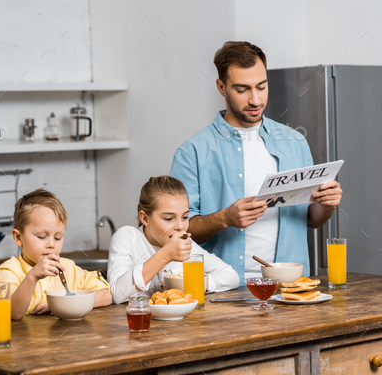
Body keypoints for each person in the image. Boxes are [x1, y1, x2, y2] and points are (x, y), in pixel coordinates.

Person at [170, 41, 343, 282]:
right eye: (242, 90)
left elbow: (312, 220)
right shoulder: (192, 153)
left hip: (290, 288)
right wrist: (224, 218)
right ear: (221, 87)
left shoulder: (295, 142)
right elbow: (177, 232)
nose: (255, 100)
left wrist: (326, 205)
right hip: (225, 291)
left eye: (261, 86)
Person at [107, 176, 239, 304]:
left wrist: (191, 284)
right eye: (169, 219)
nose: (180, 227)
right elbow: (117, 294)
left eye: (185, 217)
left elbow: (231, 276)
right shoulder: (128, 237)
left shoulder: (185, 245)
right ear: (145, 219)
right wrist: (165, 255)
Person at [0, 188, 112, 320]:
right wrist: (32, 277)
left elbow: (106, 295)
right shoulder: (7, 272)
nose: (51, 244)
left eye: (57, 238)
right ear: (18, 238)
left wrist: (62, 305)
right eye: (42, 236)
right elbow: (13, 313)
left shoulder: (68, 268)